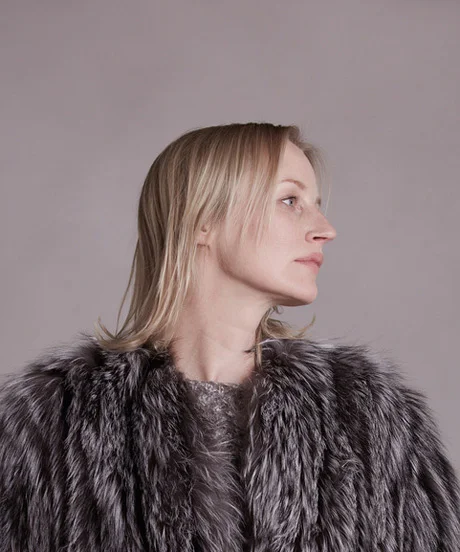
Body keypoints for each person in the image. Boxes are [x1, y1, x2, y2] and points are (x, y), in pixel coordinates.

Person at [1, 122, 459, 551]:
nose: (325, 229)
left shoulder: (368, 416)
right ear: (203, 219)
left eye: (316, 203)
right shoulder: (53, 420)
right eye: (290, 200)